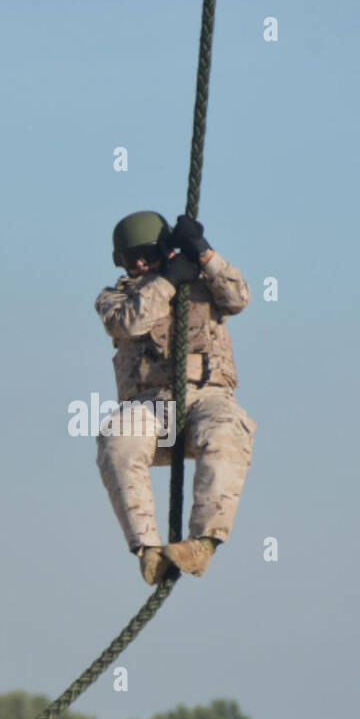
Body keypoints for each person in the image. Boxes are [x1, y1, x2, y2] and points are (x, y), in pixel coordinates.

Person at [94, 211, 257, 584]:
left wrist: (203, 253)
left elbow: (238, 297)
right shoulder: (116, 297)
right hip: (150, 405)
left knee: (228, 433)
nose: (139, 262)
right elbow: (128, 323)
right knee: (117, 440)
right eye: (131, 255)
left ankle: (202, 543)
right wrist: (165, 282)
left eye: (146, 253)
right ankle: (147, 549)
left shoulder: (203, 283)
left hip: (208, 396)